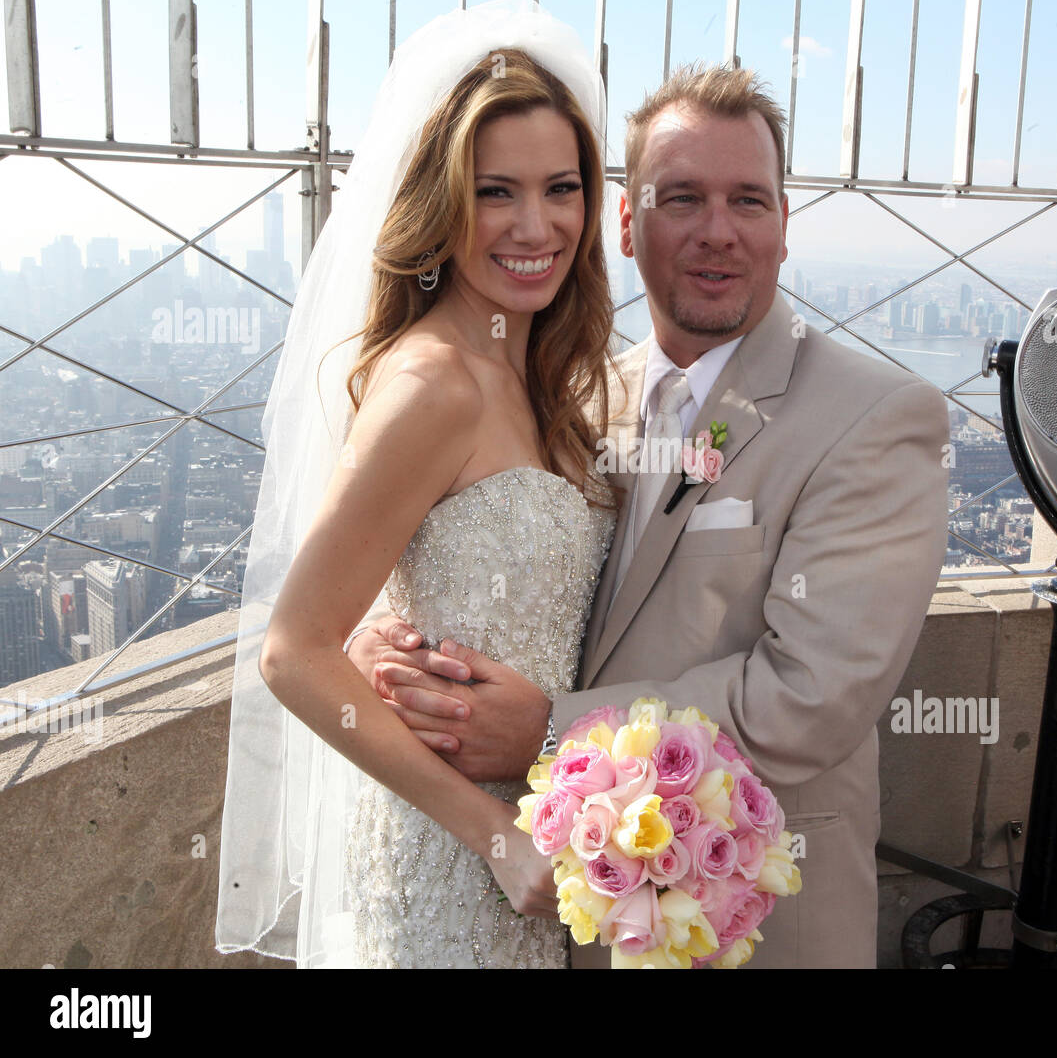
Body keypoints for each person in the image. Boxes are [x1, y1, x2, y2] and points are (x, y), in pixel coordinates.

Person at [350, 64, 951, 968]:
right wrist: (380, 643)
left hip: (753, 929)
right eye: (682, 199)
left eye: (749, 200)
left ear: (784, 225)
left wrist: (555, 729)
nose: (719, 233)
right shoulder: (582, 395)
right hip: (571, 919)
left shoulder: (877, 416)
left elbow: (811, 697)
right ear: (626, 225)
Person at [215, 0, 619, 968]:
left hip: (532, 842)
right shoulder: (434, 383)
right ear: (441, 205)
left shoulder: (535, 374)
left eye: (561, 187)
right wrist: (491, 834)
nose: (536, 225)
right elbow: (292, 652)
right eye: (495, 193)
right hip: (448, 859)